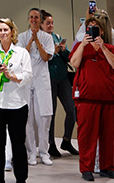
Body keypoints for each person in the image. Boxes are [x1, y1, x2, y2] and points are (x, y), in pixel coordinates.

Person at [71, 12, 114, 181]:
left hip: (109, 98)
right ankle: (87, 169)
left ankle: (107, 167)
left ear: (102, 31)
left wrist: (103, 47)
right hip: (86, 98)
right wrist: (83, 44)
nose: (92, 30)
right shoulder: (81, 47)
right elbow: (74, 63)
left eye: (96, 28)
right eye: (89, 28)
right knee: (86, 136)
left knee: (108, 135)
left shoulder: (110, 48)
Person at [0, 18, 31, 183]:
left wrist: (12, 76)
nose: (3, 33)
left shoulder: (22, 53)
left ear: (12, 32)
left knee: (18, 144)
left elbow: (28, 76)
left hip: (17, 104)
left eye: (6, 30)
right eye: (0, 30)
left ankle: (21, 179)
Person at [17, 7, 54, 166]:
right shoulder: (21, 37)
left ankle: (44, 152)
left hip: (41, 80)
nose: (34, 20)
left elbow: (45, 57)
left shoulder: (47, 37)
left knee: (44, 119)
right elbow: (21, 58)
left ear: (40, 20)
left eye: (36, 17)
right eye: (31, 17)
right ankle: (31, 153)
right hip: (27, 82)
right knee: (28, 119)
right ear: (28, 19)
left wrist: (37, 41)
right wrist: (30, 41)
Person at [42, 12, 77, 158]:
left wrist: (63, 50)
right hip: (49, 79)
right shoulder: (40, 39)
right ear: (42, 25)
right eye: (48, 23)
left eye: (52, 23)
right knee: (52, 113)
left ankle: (66, 140)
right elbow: (40, 60)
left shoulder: (57, 37)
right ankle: (51, 144)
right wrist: (53, 52)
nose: (51, 25)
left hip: (63, 79)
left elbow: (69, 58)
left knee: (71, 110)